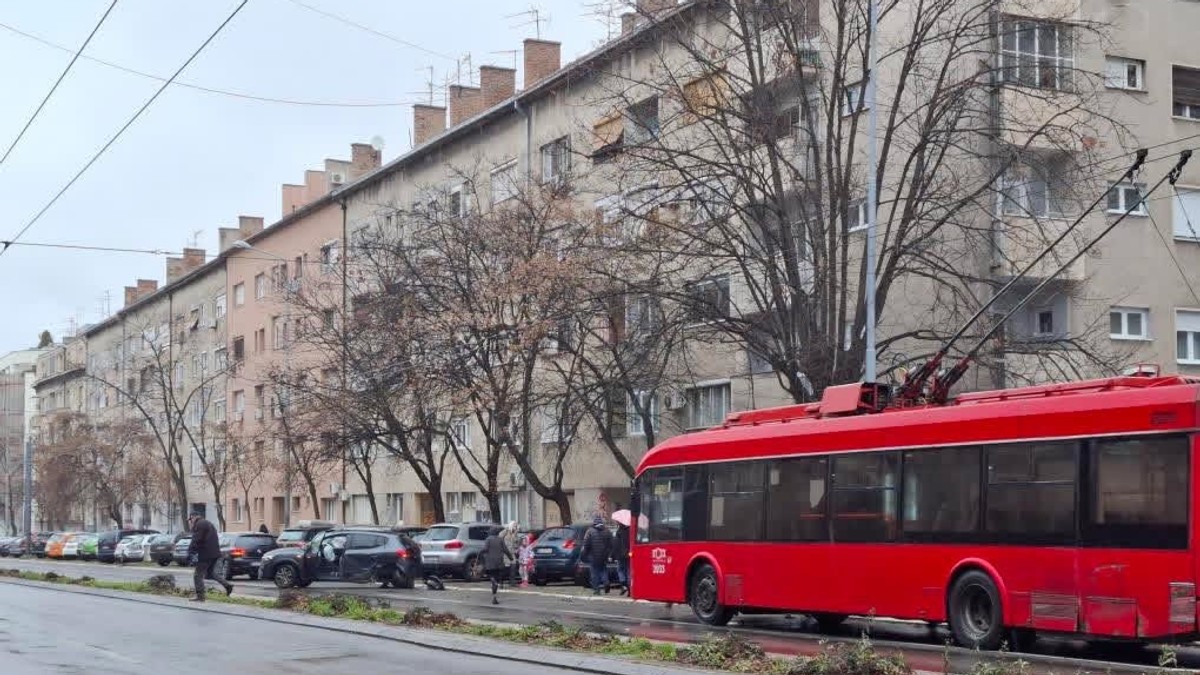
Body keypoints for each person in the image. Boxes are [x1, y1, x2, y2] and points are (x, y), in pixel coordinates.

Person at [187, 512, 232, 601]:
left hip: (205, 554)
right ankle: (228, 586)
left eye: (190, 519)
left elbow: (196, 539)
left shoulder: (199, 524)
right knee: (211, 574)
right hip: (215, 553)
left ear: (193, 517)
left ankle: (200, 596)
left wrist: (190, 552)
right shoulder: (207, 523)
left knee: (197, 575)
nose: (190, 522)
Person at [580, 515, 613, 596]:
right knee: (603, 570)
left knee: (594, 573)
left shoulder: (589, 531)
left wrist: (584, 554)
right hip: (604, 556)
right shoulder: (607, 531)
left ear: (594, 523)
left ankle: (596, 589)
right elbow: (611, 544)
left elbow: (586, 544)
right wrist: (609, 554)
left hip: (593, 556)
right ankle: (606, 582)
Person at [482, 526, 512, 605]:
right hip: (499, 562)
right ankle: (494, 597)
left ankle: (493, 582)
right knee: (497, 577)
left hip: (490, 563)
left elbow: (485, 549)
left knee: (491, 576)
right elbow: (506, 550)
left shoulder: (488, 539)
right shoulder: (500, 539)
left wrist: (481, 552)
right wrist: (511, 557)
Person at [613, 522, 631, 596]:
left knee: (620, 570)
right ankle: (630, 589)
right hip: (628, 554)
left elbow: (616, 544)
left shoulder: (618, 532)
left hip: (620, 555)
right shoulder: (630, 531)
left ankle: (623, 584)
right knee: (628, 571)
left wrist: (614, 555)